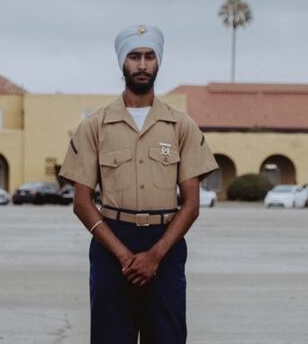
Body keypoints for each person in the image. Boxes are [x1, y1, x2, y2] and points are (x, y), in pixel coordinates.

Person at [59, 24, 218, 343]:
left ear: (158, 61)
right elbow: (82, 202)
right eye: (134, 56)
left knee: (167, 337)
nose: (142, 64)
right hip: (111, 241)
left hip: (166, 244)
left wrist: (155, 256)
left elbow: (191, 204)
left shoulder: (181, 125)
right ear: (122, 62)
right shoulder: (95, 125)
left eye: (149, 56)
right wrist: (124, 256)